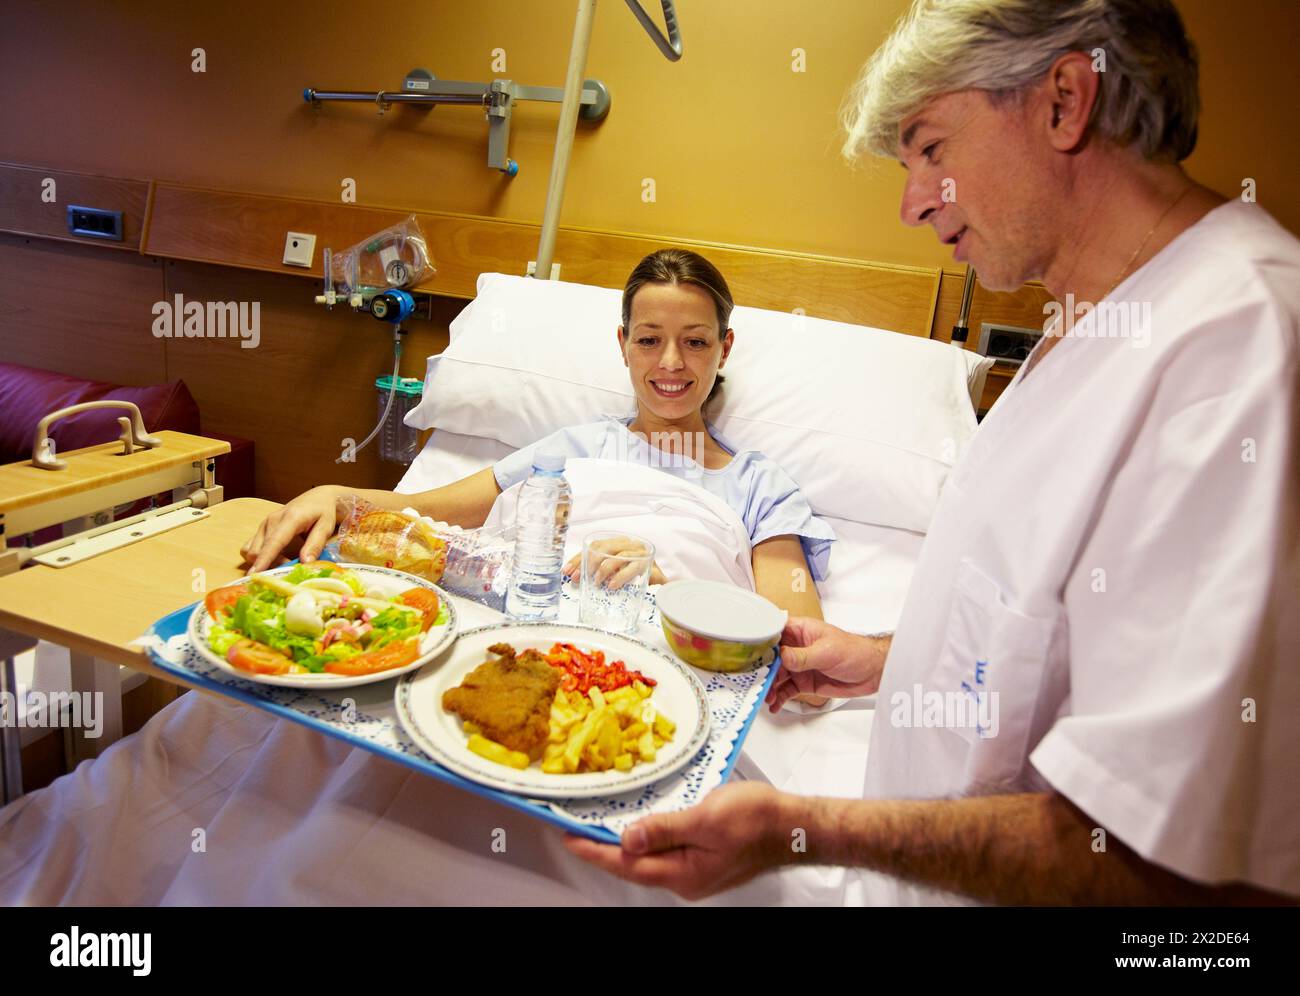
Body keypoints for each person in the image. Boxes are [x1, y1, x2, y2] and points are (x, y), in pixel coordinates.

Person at [566, 0, 1300, 904]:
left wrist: (800, 828)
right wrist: (886, 659)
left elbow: (1156, 859)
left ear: (1066, 102)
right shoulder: (1083, 335)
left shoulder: (1239, 350)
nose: (912, 202)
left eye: (930, 149)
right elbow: (1039, 636)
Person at [242, 247, 835, 634]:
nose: (672, 363)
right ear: (623, 344)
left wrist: (670, 592)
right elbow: (434, 512)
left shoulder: (760, 485)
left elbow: (798, 636)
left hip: (673, 662)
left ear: (724, 348)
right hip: (524, 629)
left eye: (697, 342)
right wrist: (336, 497)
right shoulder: (575, 447)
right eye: (650, 340)